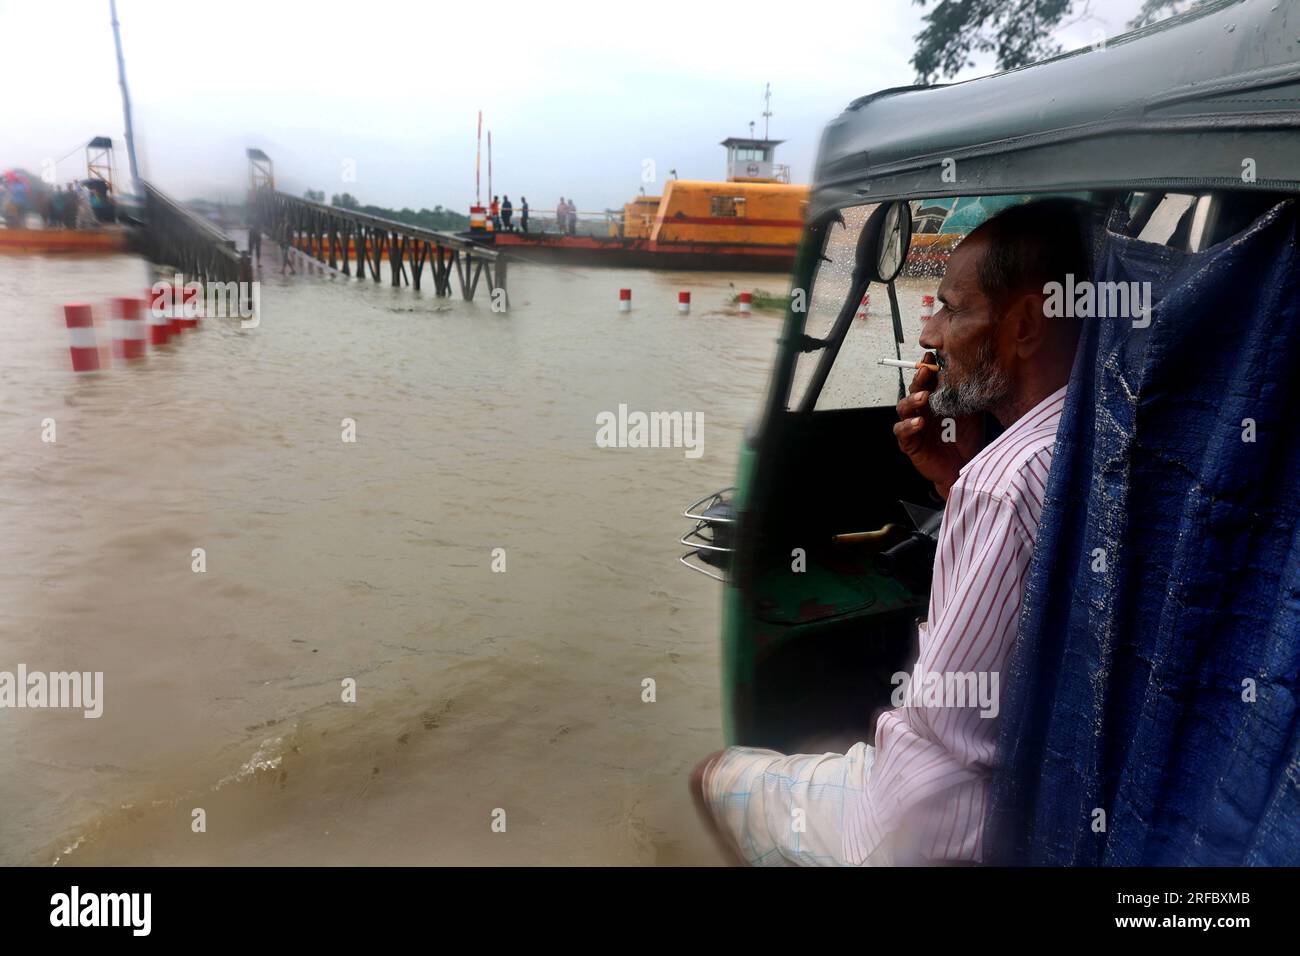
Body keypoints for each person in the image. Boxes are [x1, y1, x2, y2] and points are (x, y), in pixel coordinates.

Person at [689, 198, 1092, 866]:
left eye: (953, 309)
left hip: (934, 829)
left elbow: (943, 735)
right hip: (1056, 795)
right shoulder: (1103, 430)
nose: (929, 333)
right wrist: (952, 482)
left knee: (713, 777)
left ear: (1024, 325)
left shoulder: (1005, 481)